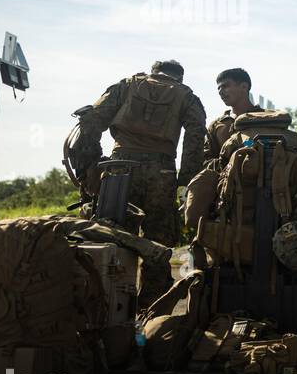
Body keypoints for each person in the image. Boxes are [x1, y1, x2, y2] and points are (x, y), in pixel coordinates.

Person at [73, 60, 206, 248]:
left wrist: (91, 164)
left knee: (114, 235)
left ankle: (116, 275)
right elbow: (196, 137)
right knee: (159, 242)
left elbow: (90, 121)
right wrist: (185, 182)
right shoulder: (187, 96)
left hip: (119, 169)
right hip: (161, 173)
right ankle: (154, 277)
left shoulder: (126, 86)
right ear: (180, 78)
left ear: (154, 72)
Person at [206, 67, 259, 166]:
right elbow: (206, 160)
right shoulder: (217, 125)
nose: (220, 92)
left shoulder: (265, 119)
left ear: (244, 86)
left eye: (225, 86)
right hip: (226, 180)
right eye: (219, 88)